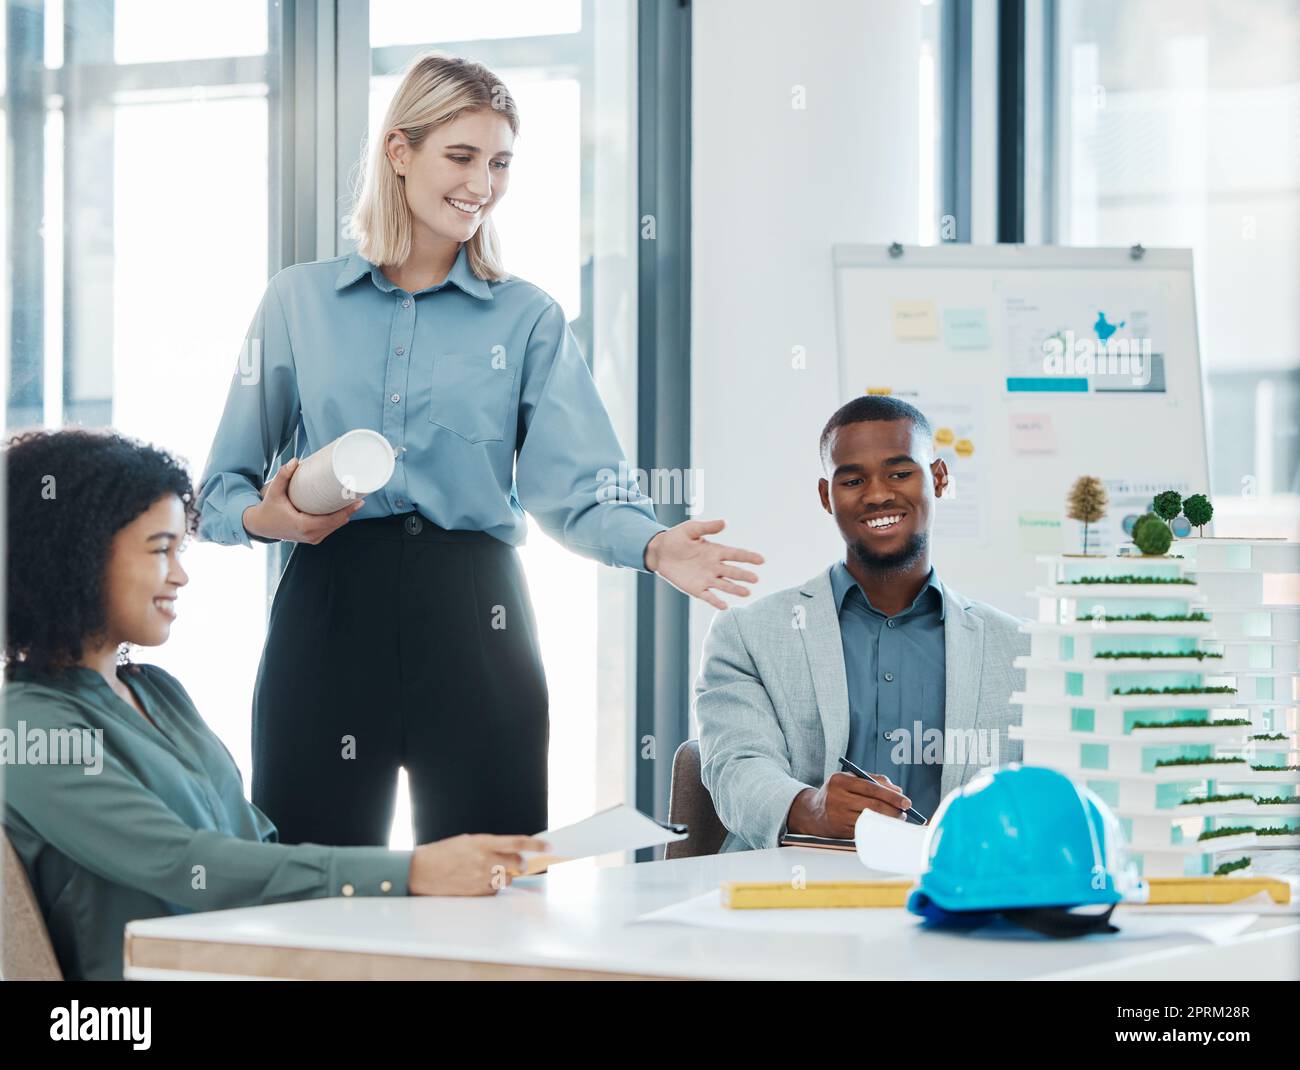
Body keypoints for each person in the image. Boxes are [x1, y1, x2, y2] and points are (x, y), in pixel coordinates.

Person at [196, 52, 763, 848]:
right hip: (326, 612)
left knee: (492, 885)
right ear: (400, 152)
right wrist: (271, 519)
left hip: (476, 621)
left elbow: (578, 488)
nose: (482, 184)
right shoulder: (297, 302)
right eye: (461, 156)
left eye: (499, 163)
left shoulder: (527, 318)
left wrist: (654, 544)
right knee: (310, 876)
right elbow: (217, 489)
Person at [1, 428, 548, 981]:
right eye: (160, 550)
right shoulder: (27, 729)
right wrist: (414, 870)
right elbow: (185, 862)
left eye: (180, 549)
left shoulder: (156, 691)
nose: (180, 574)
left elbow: (253, 845)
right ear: (77, 556)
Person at [694, 395, 1028, 852]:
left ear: (939, 478)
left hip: (961, 896)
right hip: (793, 893)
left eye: (899, 473)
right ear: (825, 497)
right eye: (852, 479)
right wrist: (808, 807)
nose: (877, 494)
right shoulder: (746, 636)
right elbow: (734, 765)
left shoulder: (1019, 650)